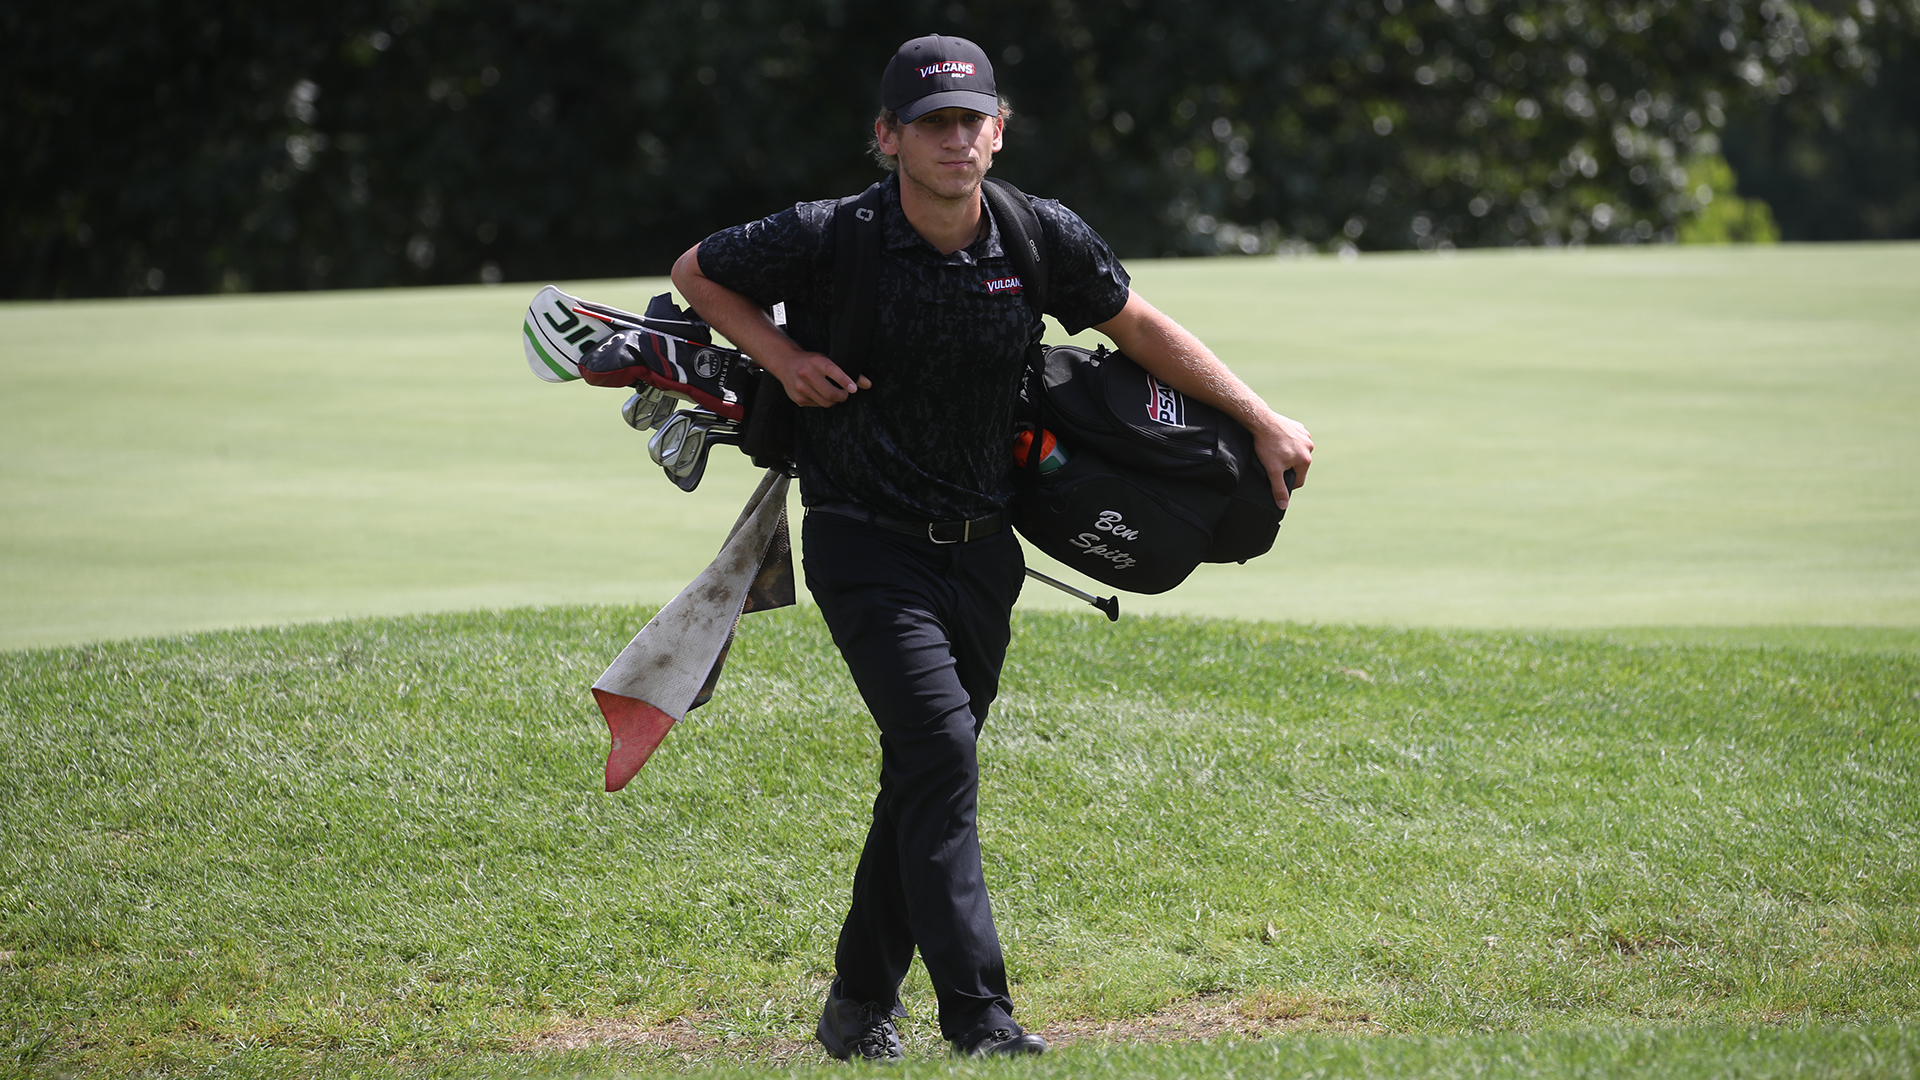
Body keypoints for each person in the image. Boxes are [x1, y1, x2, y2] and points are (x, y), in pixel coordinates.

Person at [670, 33, 1313, 1061]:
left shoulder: (1034, 234)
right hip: (863, 544)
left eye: (971, 120)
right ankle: (980, 1018)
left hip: (983, 553)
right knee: (940, 752)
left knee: (925, 773)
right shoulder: (832, 234)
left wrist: (1264, 418)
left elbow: (1138, 326)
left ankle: (854, 1006)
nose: (954, 139)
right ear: (889, 138)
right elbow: (699, 273)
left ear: (998, 132)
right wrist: (783, 358)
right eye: (931, 124)